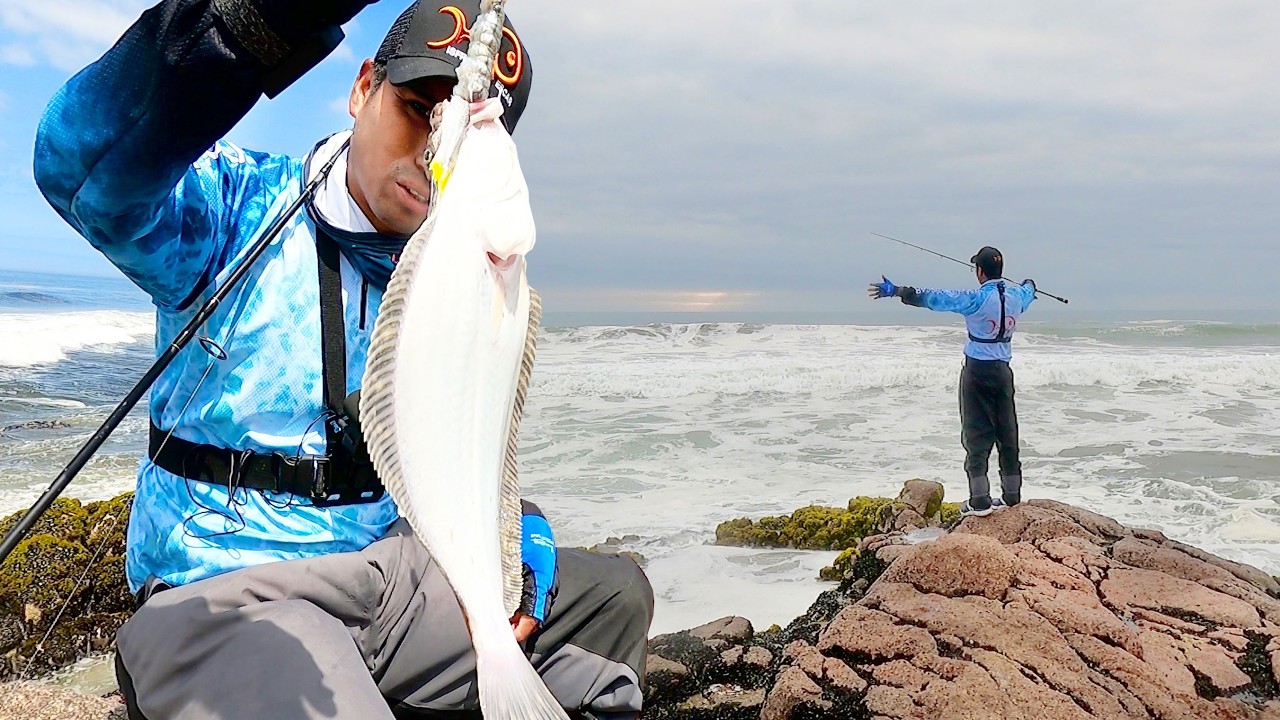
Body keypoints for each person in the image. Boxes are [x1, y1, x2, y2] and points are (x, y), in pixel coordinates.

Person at [34, 1, 653, 718]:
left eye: (469, 134)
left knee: (614, 600)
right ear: (363, 88)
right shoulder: (229, 205)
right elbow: (77, 170)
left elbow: (456, 451)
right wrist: (247, 24)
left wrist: (514, 525)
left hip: (388, 588)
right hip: (227, 589)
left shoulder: (474, 274)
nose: (431, 151)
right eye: (420, 109)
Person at [868, 247, 1037, 518]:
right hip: (1004, 372)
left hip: (977, 372)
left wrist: (897, 290)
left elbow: (935, 298)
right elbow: (1029, 290)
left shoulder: (975, 298)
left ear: (980, 271)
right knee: (1008, 431)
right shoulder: (1018, 296)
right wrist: (1030, 284)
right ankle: (1012, 496)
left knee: (976, 433)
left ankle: (980, 500)